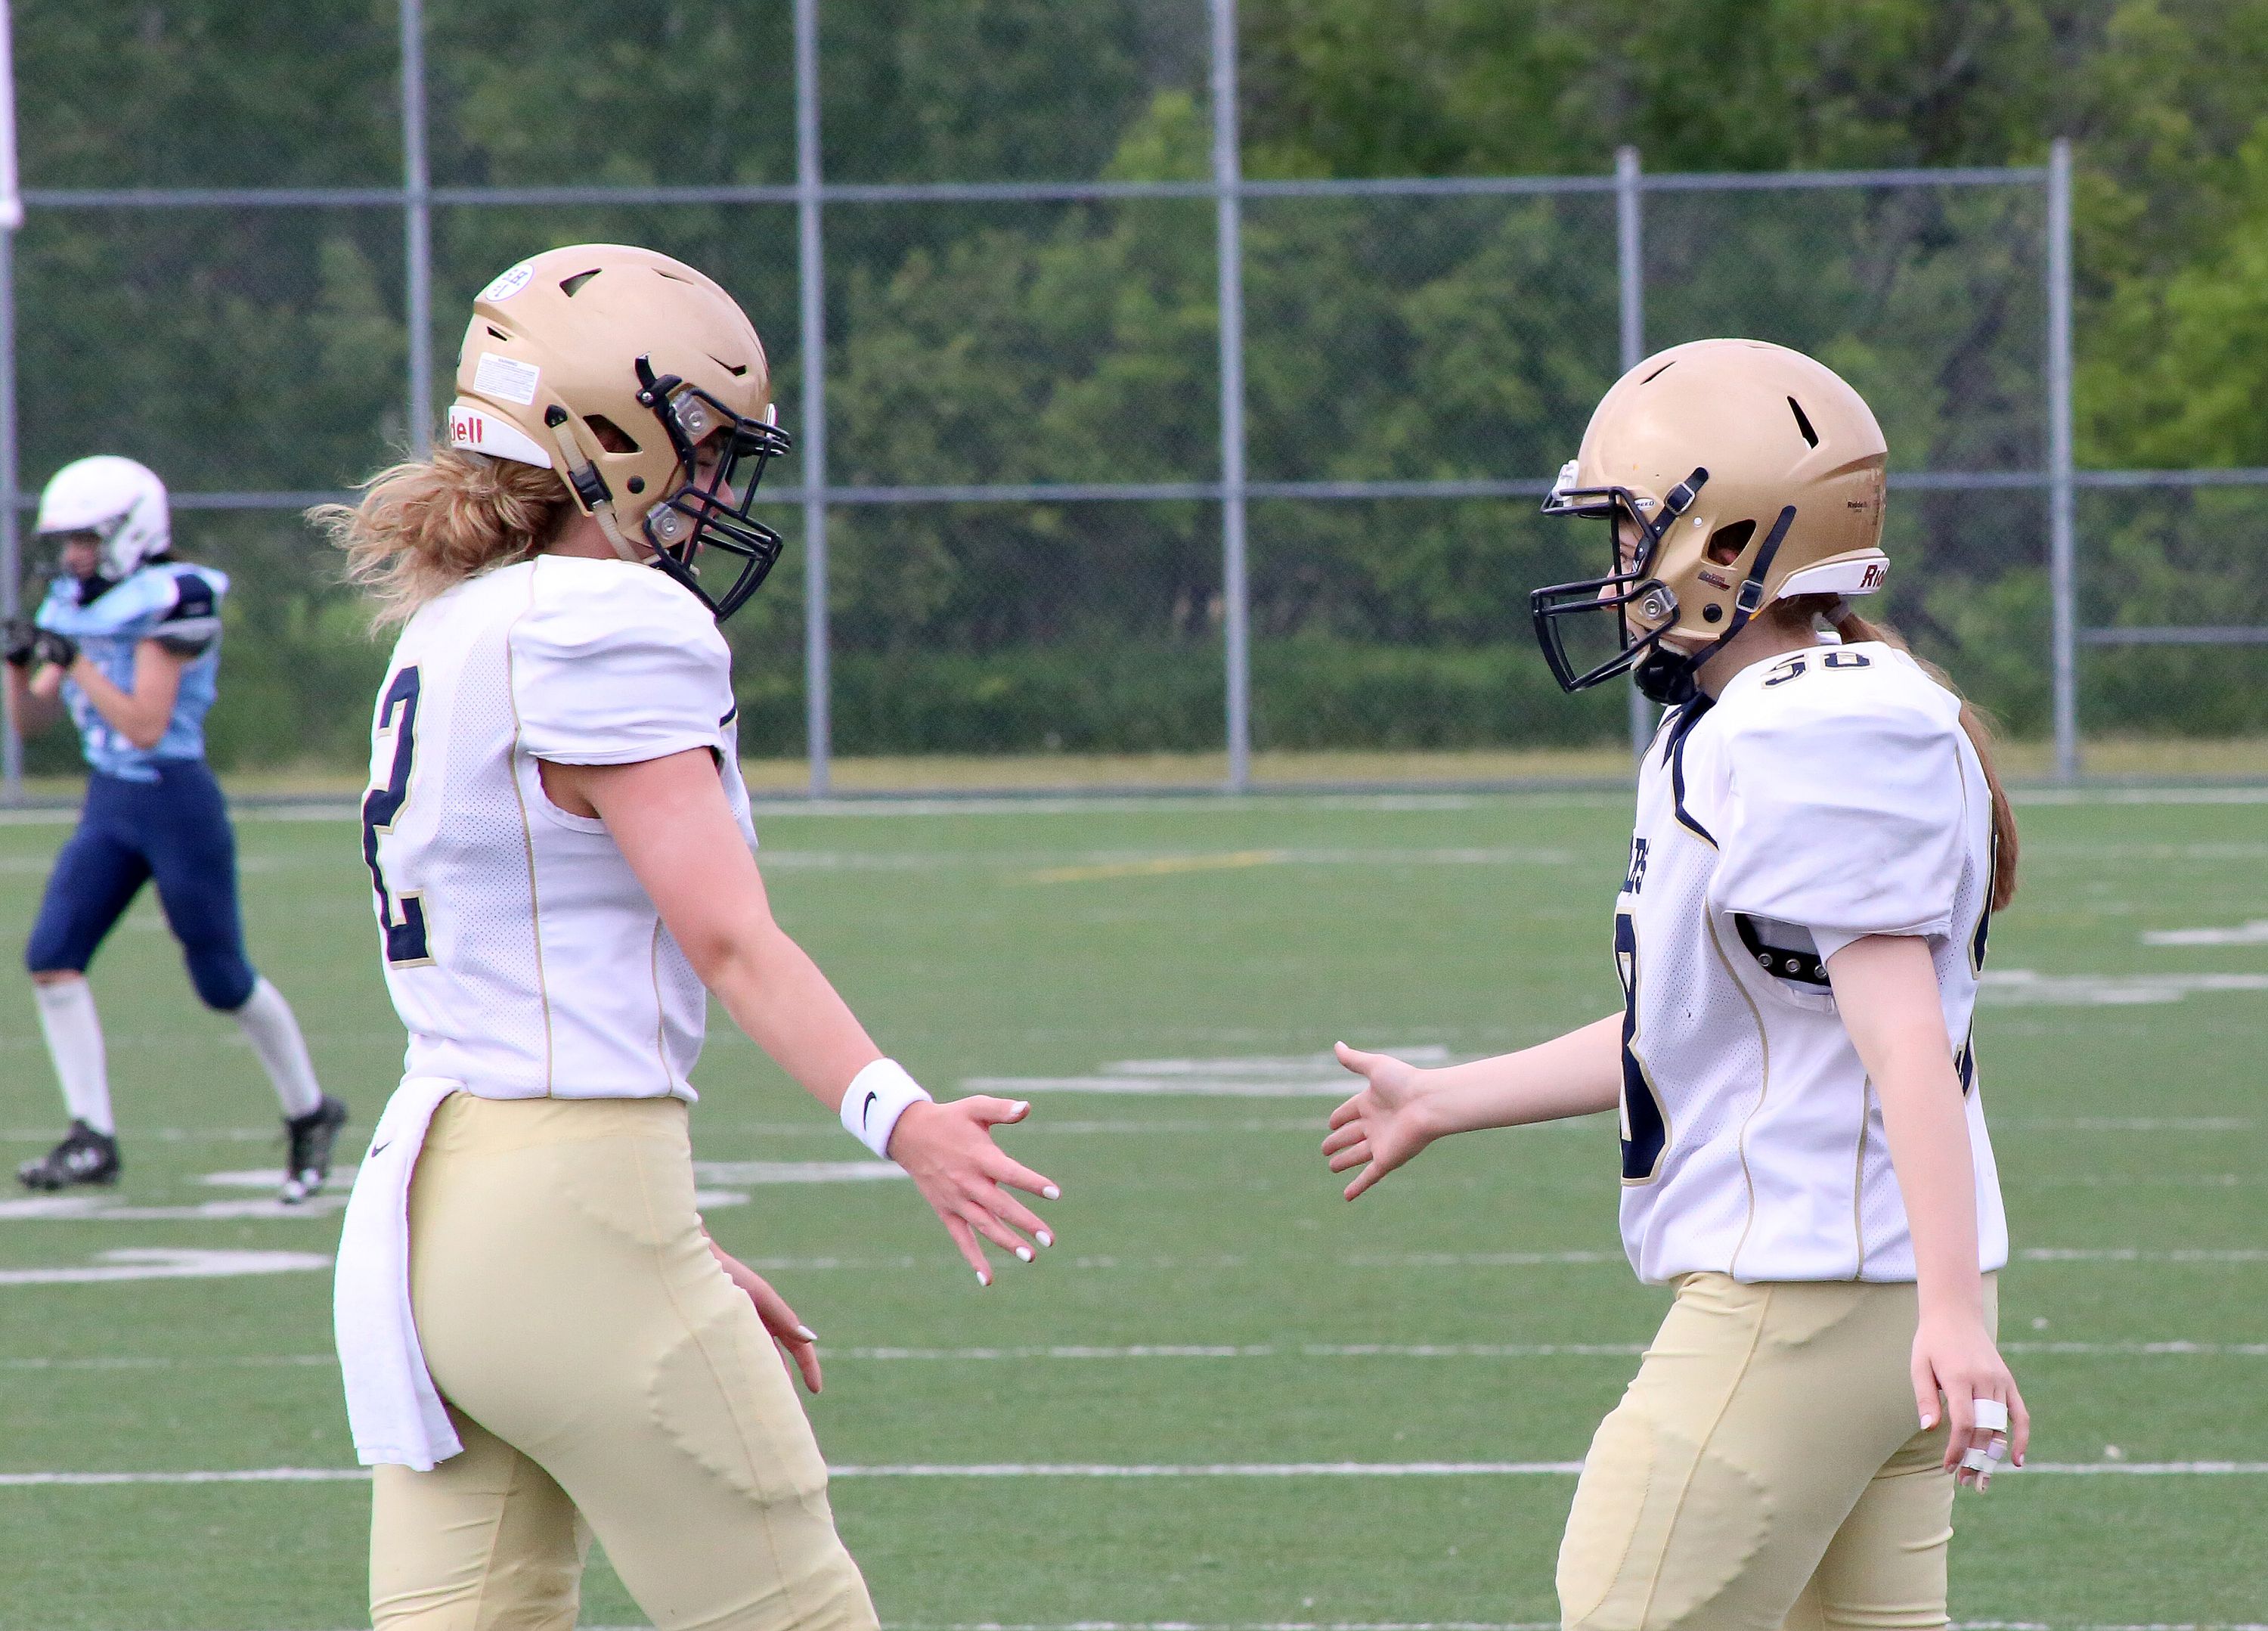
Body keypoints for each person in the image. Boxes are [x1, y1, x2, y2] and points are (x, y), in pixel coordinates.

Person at [317, 243, 1058, 1631]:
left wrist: (652, 1256)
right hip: (566, 1207)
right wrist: (906, 1122)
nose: (719, 485)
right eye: (704, 446)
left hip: (436, 1217)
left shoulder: (456, 626)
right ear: (607, 431)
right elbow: (730, 939)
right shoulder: (610, 620)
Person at [1321, 339, 2029, 1629]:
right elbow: (1701, 1027)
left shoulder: (1806, 727)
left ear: (1731, 540)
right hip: (1874, 1302)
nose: (1611, 575)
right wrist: (1442, 1098)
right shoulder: (1763, 710)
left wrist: (1952, 1315)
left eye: (1631, 531)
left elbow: (1903, 1038)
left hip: (1809, 1298)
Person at [2, 455, 345, 1202]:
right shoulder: (73, 599)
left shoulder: (177, 597)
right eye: (68, 542)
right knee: (52, 957)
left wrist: (77, 661)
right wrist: (18, 663)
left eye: (86, 540)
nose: (73, 558)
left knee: (222, 981)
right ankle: (90, 1135)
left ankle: (311, 1111)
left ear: (130, 531)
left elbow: (147, 724)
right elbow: (31, 720)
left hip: (175, 803)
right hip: (110, 803)